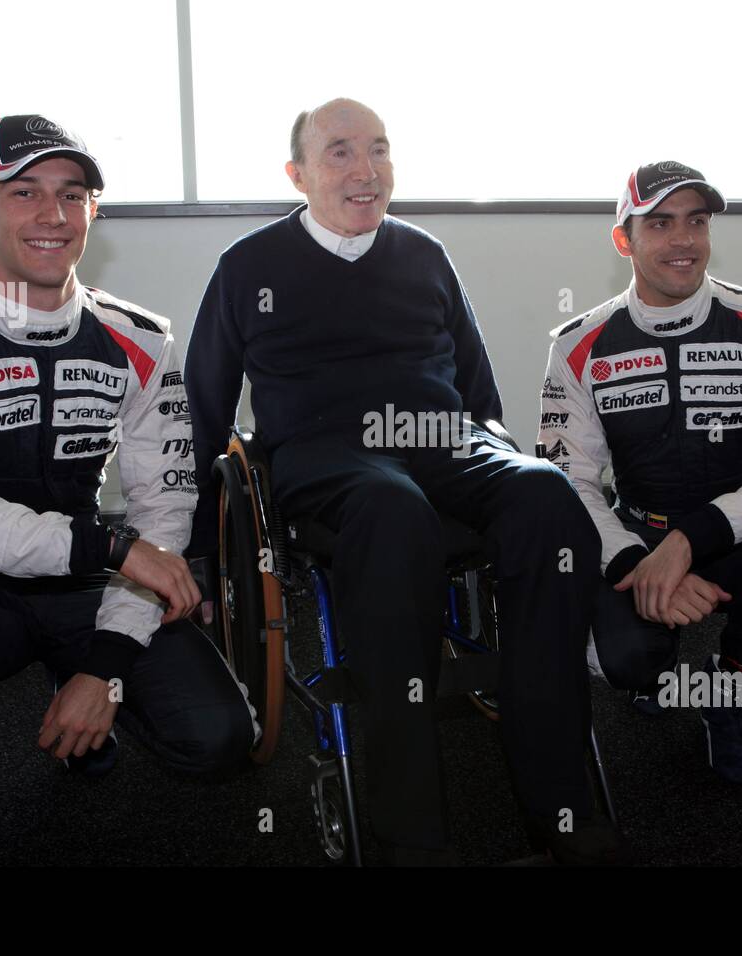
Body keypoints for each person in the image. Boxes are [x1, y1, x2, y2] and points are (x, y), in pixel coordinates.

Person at [184, 98, 625, 864]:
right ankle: (410, 839)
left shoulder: (423, 254)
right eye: (342, 152)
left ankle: (563, 809)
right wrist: (201, 552)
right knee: (396, 510)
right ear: (298, 174)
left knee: (545, 495)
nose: (367, 170)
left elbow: (479, 390)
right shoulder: (248, 267)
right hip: (326, 458)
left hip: (441, 438)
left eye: (380, 150)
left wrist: (503, 469)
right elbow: (204, 405)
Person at [0, 114, 256, 866]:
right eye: (25, 193)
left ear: (93, 213)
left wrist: (103, 669)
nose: (53, 215)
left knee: (218, 739)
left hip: (84, 582)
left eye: (72, 195)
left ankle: (69, 682)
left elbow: (165, 509)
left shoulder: (143, 339)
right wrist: (111, 547)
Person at [539, 161, 742, 784]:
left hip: (732, 535)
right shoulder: (577, 343)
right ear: (624, 239)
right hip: (637, 540)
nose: (683, 240)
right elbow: (567, 479)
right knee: (628, 663)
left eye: (696, 221)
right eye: (660, 223)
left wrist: (692, 540)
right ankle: (659, 667)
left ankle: (727, 688)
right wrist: (634, 561)